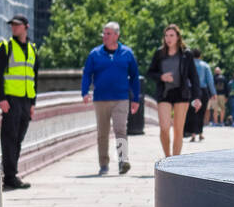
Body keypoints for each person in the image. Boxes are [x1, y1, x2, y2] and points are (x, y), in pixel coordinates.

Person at [81, 21, 141, 175]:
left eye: (108, 33)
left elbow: (134, 76)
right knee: (103, 133)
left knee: (121, 129)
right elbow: (87, 73)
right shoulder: (95, 54)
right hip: (101, 98)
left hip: (121, 98)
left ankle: (123, 161)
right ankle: (103, 164)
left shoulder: (127, 53)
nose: (104, 36)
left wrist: (136, 98)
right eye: (104, 33)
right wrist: (85, 91)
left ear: (117, 35)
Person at [0, 14, 37, 190]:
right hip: (11, 100)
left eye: (17, 25)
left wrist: (33, 102)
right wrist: (1, 99)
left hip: (26, 101)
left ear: (26, 27)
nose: (14, 28)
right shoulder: (5, 47)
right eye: (12, 25)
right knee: (9, 138)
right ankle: (10, 177)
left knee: (18, 138)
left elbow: (35, 77)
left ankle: (12, 174)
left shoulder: (33, 49)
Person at [144, 24, 202, 158]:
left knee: (178, 130)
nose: (168, 38)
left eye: (171, 35)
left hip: (181, 94)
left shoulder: (186, 54)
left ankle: (174, 161)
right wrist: (161, 77)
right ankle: (167, 157)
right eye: (166, 35)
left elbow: (193, 77)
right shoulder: (159, 53)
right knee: (164, 128)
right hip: (164, 93)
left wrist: (197, 97)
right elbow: (150, 72)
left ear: (177, 37)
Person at [186, 50, 215, 142]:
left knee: (192, 112)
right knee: (201, 112)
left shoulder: (188, 64)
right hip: (203, 90)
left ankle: (193, 134)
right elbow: (210, 80)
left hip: (191, 90)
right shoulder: (205, 65)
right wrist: (213, 93)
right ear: (200, 56)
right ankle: (201, 133)